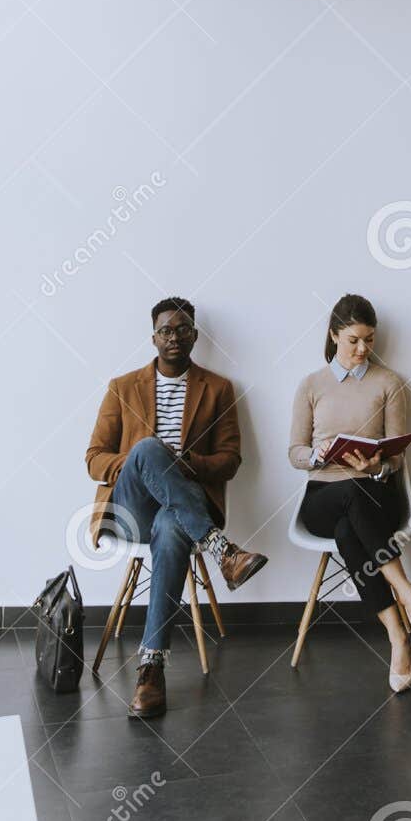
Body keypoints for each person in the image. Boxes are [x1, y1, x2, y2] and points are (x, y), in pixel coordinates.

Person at [86, 298, 267, 720]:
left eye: (182, 329)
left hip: (181, 510)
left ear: (195, 336)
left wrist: (188, 464)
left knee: (170, 529)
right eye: (166, 330)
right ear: (153, 337)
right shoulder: (122, 386)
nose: (174, 337)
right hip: (132, 507)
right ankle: (223, 550)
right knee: (148, 448)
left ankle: (151, 668)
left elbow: (230, 460)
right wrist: (143, 461)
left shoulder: (218, 388)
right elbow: (94, 457)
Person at [289, 294, 411, 693]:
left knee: (348, 527)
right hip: (323, 493)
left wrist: (377, 467)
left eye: (369, 340)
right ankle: (408, 595)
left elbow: (397, 454)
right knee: (345, 506)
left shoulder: (389, 382)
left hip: (375, 493)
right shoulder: (311, 385)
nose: (363, 349)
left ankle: (397, 636)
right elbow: (294, 453)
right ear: (335, 334)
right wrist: (316, 455)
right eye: (354, 340)